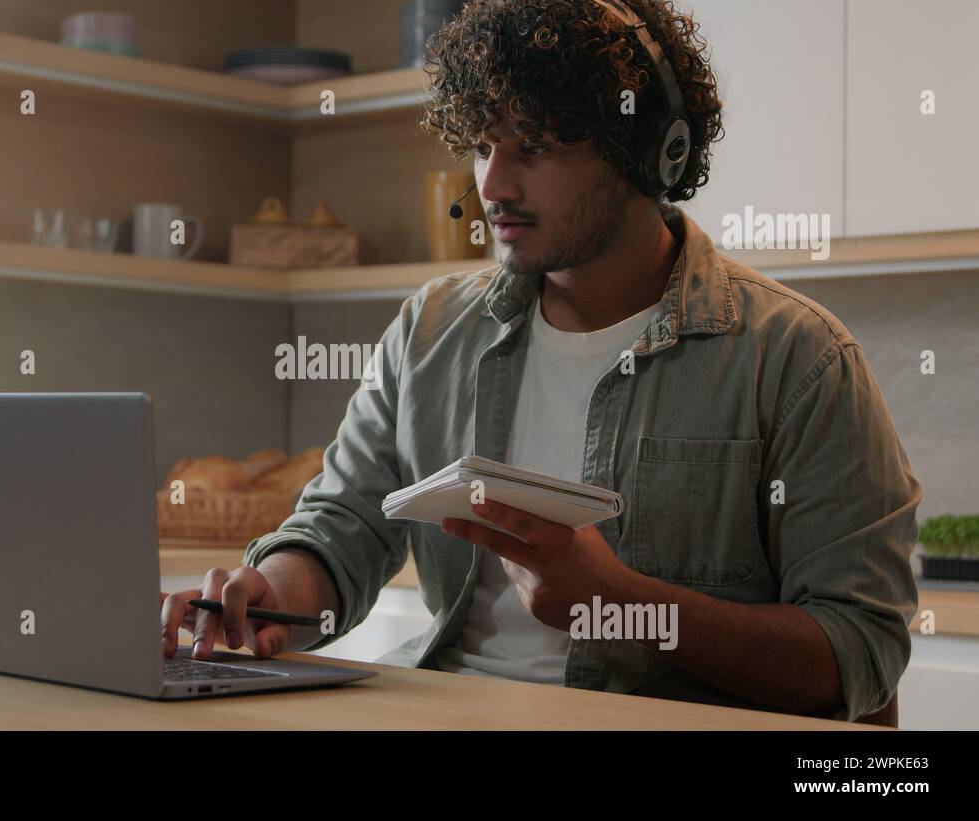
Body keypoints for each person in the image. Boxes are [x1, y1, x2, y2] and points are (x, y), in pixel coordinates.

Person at [161, 0, 920, 721]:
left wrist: (619, 605)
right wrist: (266, 599)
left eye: (535, 146)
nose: (491, 185)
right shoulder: (429, 333)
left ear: (655, 152)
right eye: (484, 146)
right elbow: (341, 528)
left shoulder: (798, 360)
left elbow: (860, 650)